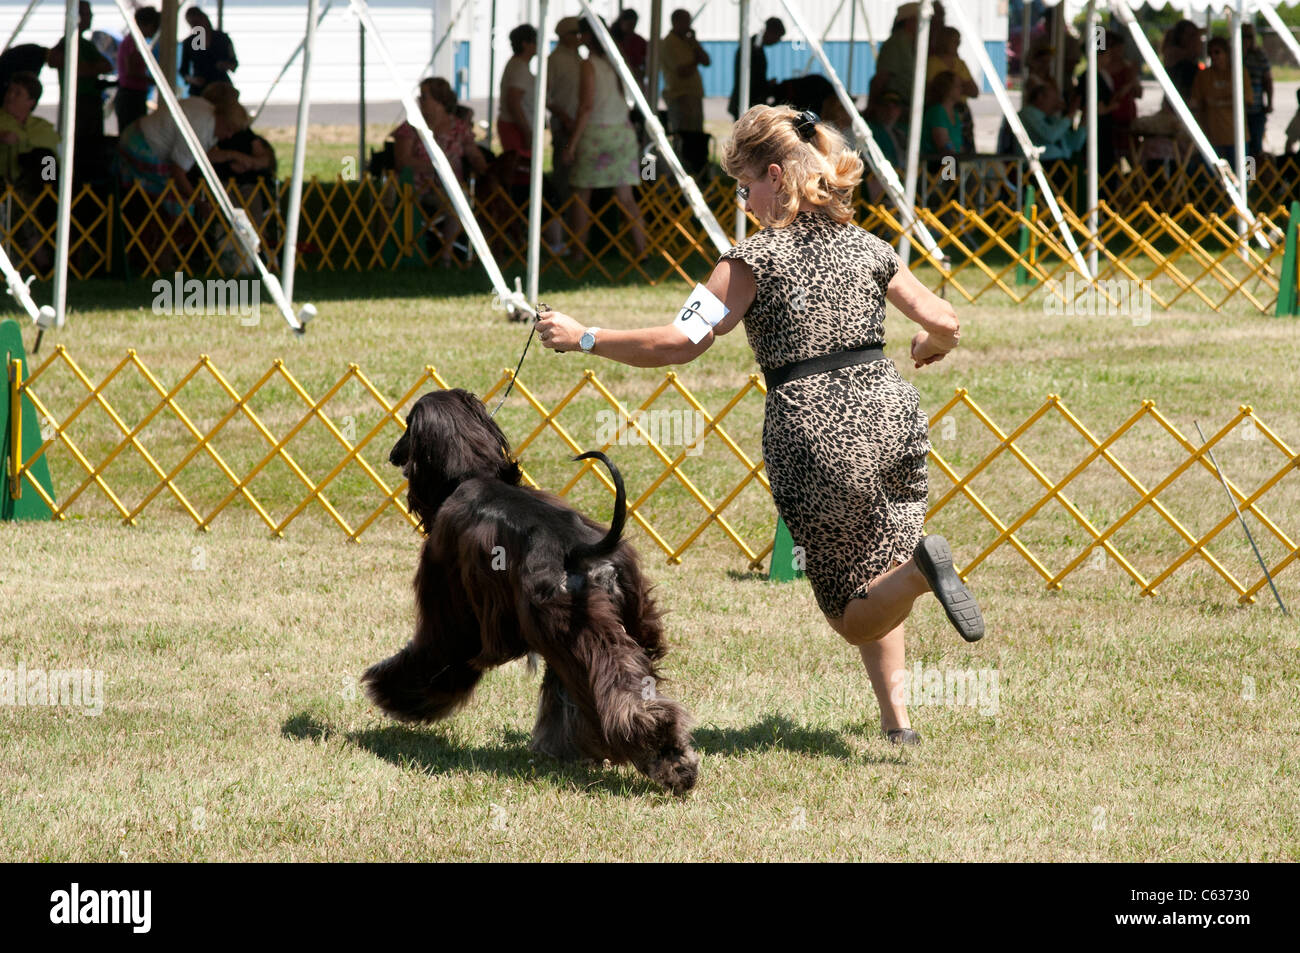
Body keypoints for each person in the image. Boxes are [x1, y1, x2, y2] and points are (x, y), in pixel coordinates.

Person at [535, 105, 986, 744]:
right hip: (893, 419)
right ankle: (898, 723)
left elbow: (678, 342)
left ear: (776, 175)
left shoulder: (750, 259)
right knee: (879, 563)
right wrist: (928, 348)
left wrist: (586, 338)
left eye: (746, 187)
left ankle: (921, 574)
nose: (743, 202)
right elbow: (947, 321)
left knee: (852, 606)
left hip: (815, 431)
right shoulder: (870, 246)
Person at [564, 18, 647, 259]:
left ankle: (578, 252)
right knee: (626, 197)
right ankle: (642, 251)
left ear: (588, 36)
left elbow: (586, 106)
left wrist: (572, 144)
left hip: (596, 135)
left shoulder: (589, 64)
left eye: (581, 34)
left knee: (581, 194)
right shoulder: (618, 62)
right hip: (623, 133)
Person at [394, 77, 488, 266]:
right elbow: (402, 162)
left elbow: (475, 156)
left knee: (459, 201)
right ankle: (400, 252)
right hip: (415, 187)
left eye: (425, 96)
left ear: (440, 100)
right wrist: (438, 166)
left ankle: (446, 255)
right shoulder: (411, 127)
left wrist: (488, 171)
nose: (420, 100)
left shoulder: (459, 128)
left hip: (450, 188)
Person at [118, 82, 246, 216]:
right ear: (223, 119)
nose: (229, 136)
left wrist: (233, 156)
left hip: (134, 136)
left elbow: (205, 157)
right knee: (179, 204)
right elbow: (177, 172)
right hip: (140, 147)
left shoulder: (205, 109)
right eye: (229, 129)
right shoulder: (200, 130)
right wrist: (199, 203)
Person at [45, 0, 112, 178]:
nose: (91, 19)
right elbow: (53, 60)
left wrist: (82, 68)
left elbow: (106, 66)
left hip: (89, 101)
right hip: (77, 101)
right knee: (75, 145)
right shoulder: (68, 41)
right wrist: (83, 68)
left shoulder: (86, 44)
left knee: (91, 147)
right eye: (87, 15)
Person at [661, 8, 710, 174]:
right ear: (675, 22)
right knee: (682, 137)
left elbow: (707, 61)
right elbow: (682, 71)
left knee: (696, 137)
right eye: (685, 22)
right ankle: (679, 170)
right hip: (679, 96)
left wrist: (695, 43)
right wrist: (696, 58)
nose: (688, 25)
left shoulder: (688, 42)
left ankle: (695, 169)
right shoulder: (669, 43)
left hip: (694, 95)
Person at [1189, 36, 1252, 163]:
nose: (1214, 56)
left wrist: (1219, 102)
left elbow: (1247, 100)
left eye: (1217, 52)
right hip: (1213, 136)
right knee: (1214, 176)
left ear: (1227, 53)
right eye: (1210, 53)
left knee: (1247, 171)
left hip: (1238, 136)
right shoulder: (1203, 75)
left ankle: (1252, 183)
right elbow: (1195, 102)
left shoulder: (1240, 72)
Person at [547, 17, 584, 211]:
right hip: (564, 126)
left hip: (578, 125)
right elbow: (544, 96)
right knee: (563, 172)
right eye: (575, 34)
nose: (580, 38)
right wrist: (563, 117)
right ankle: (559, 215)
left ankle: (574, 214)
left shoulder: (579, 58)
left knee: (578, 173)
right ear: (565, 36)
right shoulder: (554, 60)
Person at [872, 3, 919, 127]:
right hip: (895, 107)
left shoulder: (909, 43)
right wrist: (872, 106)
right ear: (910, 21)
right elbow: (882, 77)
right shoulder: (896, 43)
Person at [729, 17, 785, 120]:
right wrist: (767, 86)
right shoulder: (752, 48)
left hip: (749, 102)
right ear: (770, 32)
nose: (778, 41)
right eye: (778, 37)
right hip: (748, 102)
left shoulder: (754, 46)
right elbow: (753, 79)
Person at [115, 6, 160, 133]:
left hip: (134, 93)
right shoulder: (133, 42)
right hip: (130, 95)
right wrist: (153, 80)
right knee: (130, 133)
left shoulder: (135, 41)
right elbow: (131, 71)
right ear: (148, 25)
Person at [497, 24, 537, 160]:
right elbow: (513, 102)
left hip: (514, 126)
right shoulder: (519, 67)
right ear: (525, 44)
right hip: (515, 129)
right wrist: (527, 132)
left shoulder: (517, 64)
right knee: (520, 171)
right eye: (535, 41)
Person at [180, 6, 238, 97]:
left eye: (197, 22)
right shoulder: (189, 43)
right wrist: (193, 80)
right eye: (192, 25)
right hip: (200, 90)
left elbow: (234, 63)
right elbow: (183, 71)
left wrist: (225, 65)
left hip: (221, 87)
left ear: (204, 19)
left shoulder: (223, 38)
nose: (196, 27)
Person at [1019, 83, 1085, 160]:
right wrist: (1070, 115)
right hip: (1039, 162)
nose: (1057, 103)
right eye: (1054, 100)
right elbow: (1050, 136)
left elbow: (1075, 145)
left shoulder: (1052, 119)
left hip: (1061, 163)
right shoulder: (1028, 113)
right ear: (1040, 97)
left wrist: (1084, 121)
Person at [1242, 24, 1272, 162]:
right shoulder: (1232, 55)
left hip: (1256, 109)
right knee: (1242, 147)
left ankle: (1251, 179)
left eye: (1249, 36)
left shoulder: (1260, 55)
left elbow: (1268, 81)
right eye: (1243, 36)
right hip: (1235, 112)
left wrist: (1270, 103)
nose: (1246, 40)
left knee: (1254, 150)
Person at [923, 70, 964, 157]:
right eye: (958, 86)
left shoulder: (955, 114)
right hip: (938, 166)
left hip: (952, 163)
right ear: (947, 89)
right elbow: (943, 145)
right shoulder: (937, 112)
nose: (961, 89)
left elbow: (958, 146)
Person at [612, 8, 648, 95]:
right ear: (621, 22)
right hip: (615, 78)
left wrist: (641, 72)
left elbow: (646, 63)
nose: (631, 28)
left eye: (634, 25)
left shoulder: (639, 41)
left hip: (634, 79)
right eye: (629, 24)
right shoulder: (612, 39)